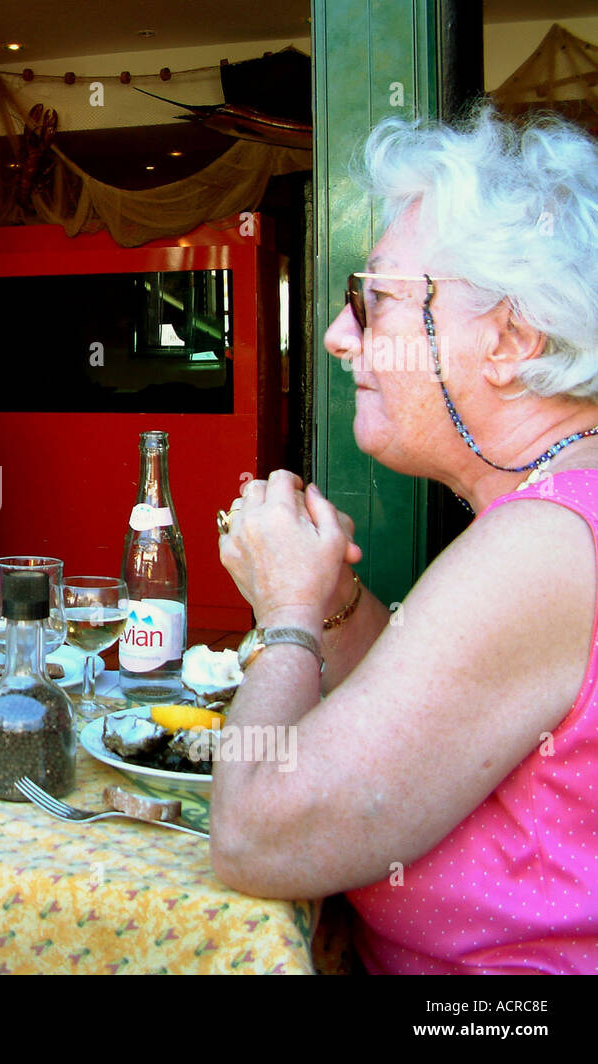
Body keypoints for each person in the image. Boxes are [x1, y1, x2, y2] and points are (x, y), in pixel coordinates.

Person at [210, 106, 598, 974]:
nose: (338, 334)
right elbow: (439, 708)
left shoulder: (546, 545)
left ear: (510, 339)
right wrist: (339, 602)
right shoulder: (558, 514)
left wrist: (287, 615)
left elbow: (255, 835)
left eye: (376, 299)